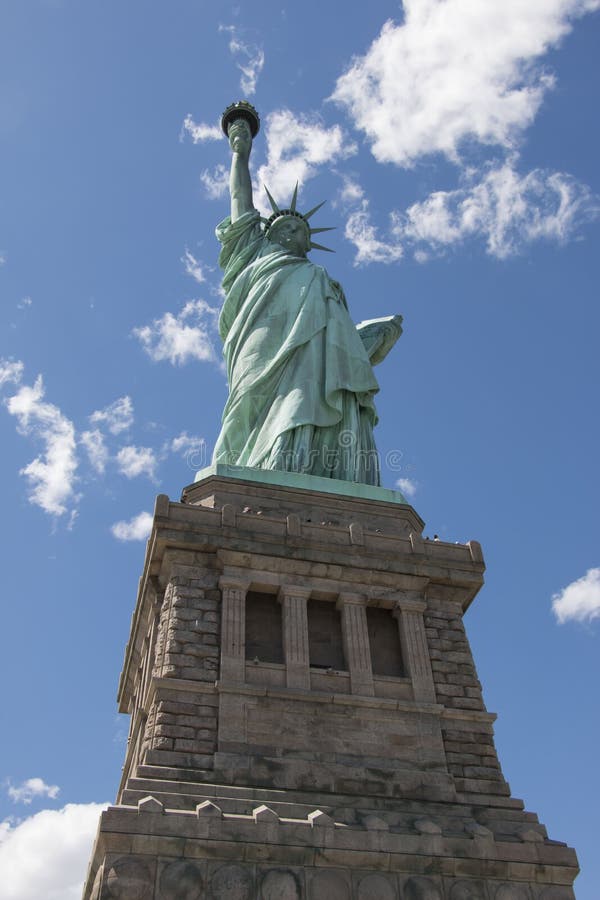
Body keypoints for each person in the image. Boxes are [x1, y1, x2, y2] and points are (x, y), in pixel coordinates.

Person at [211, 113, 402, 486]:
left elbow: (341, 349)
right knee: (249, 399)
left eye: (301, 229)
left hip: (315, 360)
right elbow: (239, 198)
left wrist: (372, 338)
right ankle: (248, 472)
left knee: (315, 397)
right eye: (284, 226)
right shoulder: (255, 254)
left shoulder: (324, 282)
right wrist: (240, 154)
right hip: (263, 337)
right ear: (269, 234)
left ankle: (309, 471)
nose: (294, 231)